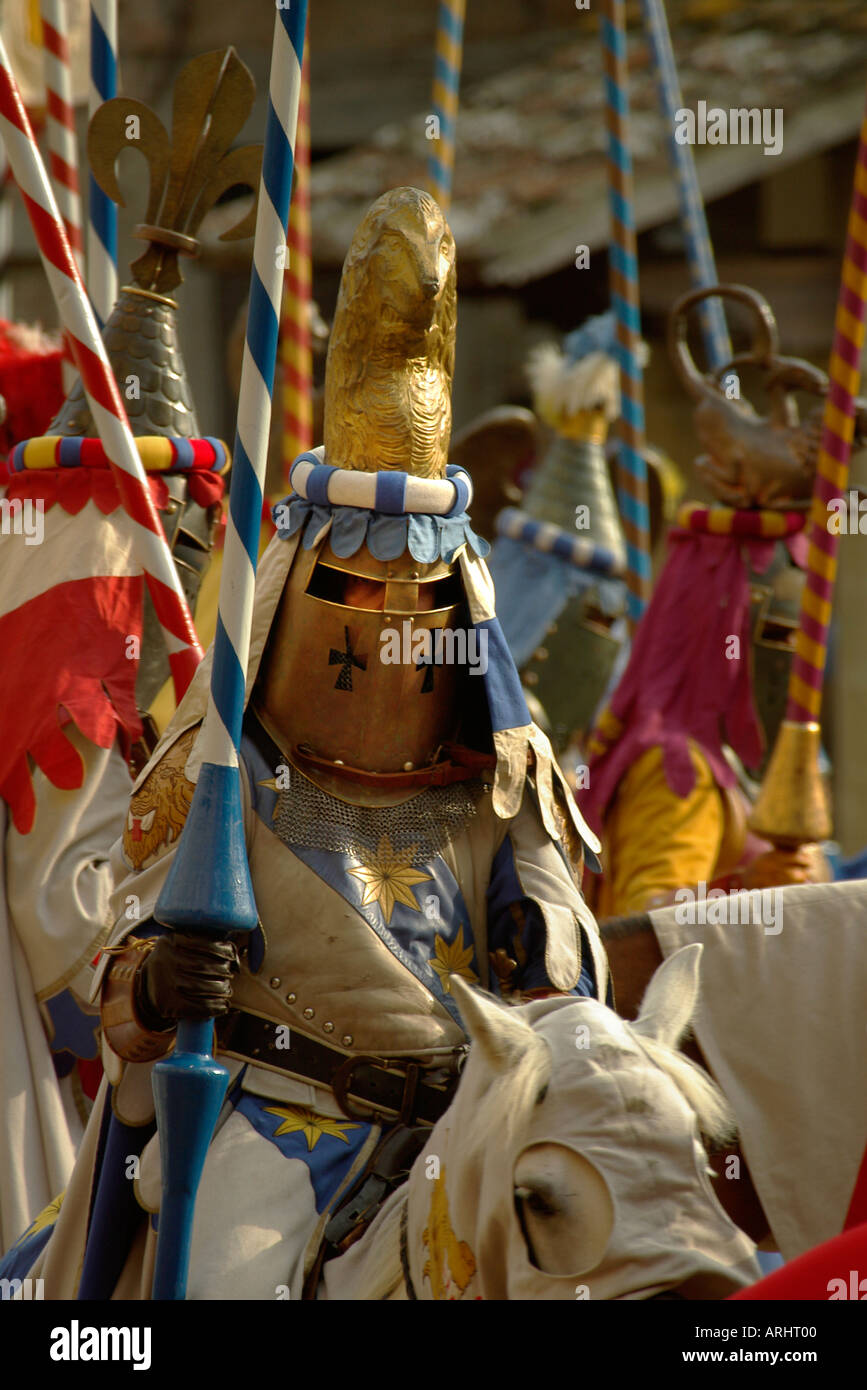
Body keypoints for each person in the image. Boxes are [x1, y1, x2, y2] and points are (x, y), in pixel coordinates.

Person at [3, 186, 608, 1300]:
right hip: (285, 1124)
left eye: (417, 591)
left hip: (472, 1121)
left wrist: (551, 954)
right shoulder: (226, 772)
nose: (384, 623)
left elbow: (570, 950)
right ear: (289, 602)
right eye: (349, 587)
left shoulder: (501, 788)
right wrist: (159, 980)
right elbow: (115, 957)